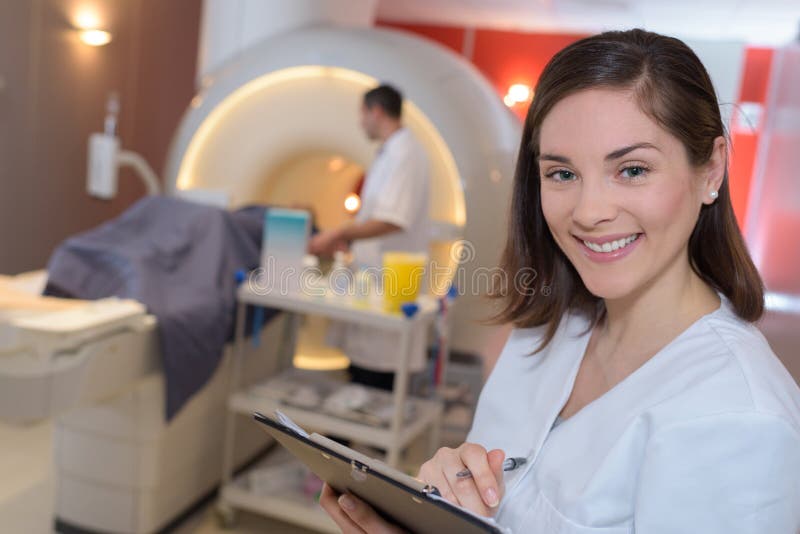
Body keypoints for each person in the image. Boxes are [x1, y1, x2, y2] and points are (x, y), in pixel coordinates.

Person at [319, 29, 800, 533]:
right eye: (562, 174)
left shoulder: (741, 419)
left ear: (712, 170)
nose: (589, 213)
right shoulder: (546, 330)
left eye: (632, 170)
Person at [310, 84, 430, 390]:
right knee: (360, 375)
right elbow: (375, 217)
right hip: (372, 280)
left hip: (391, 283)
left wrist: (340, 232)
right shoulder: (388, 154)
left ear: (376, 111)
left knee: (376, 380)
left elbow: (392, 220)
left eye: (362, 114)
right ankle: (343, 436)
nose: (360, 122)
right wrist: (347, 239)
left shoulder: (406, 154)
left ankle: (353, 437)